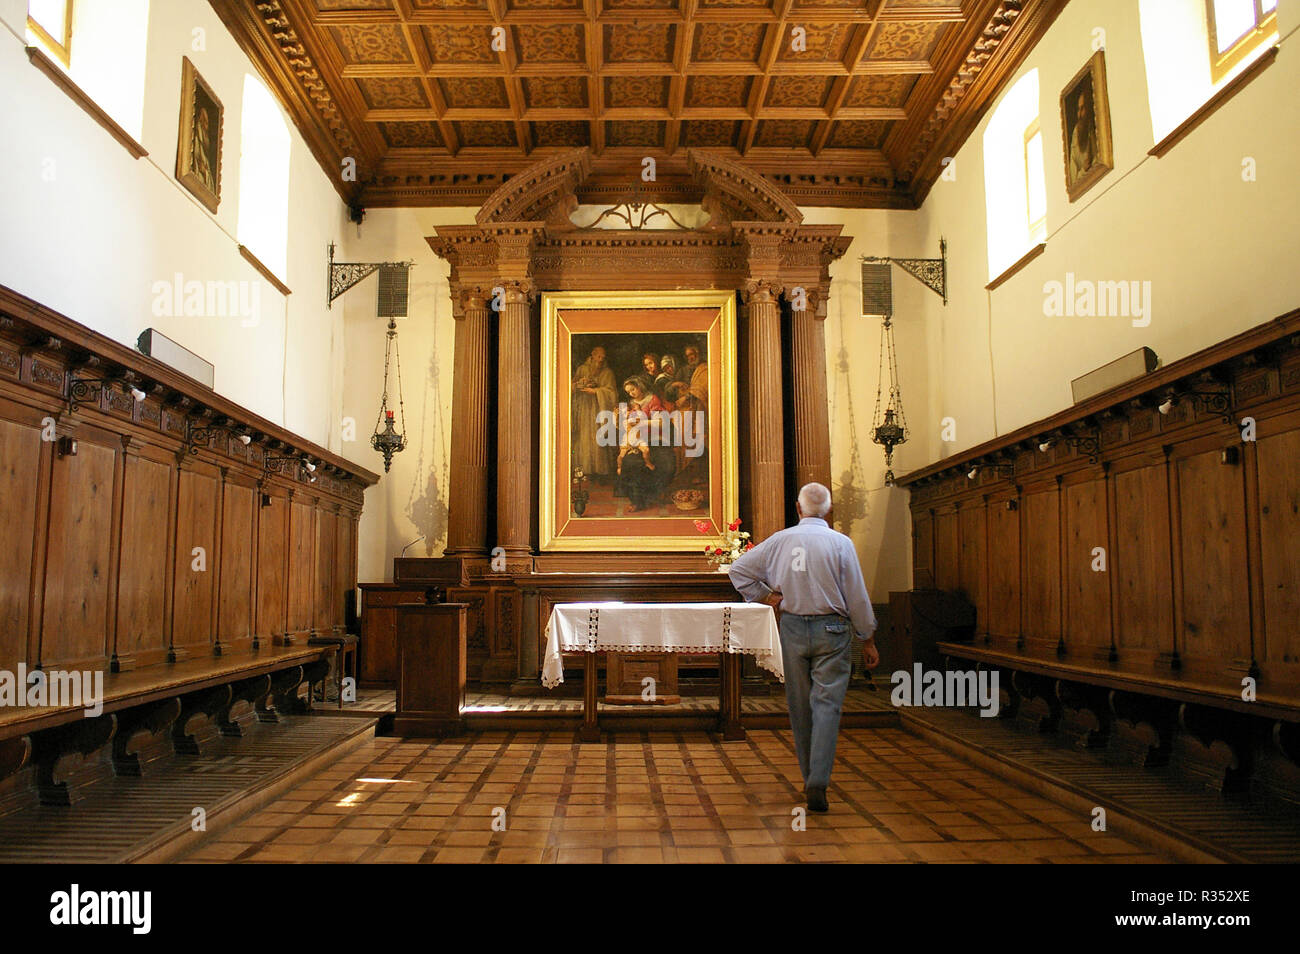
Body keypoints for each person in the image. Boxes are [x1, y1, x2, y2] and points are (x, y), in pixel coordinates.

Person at [727, 483, 879, 813]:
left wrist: (767, 596)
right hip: (833, 629)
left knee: (799, 706)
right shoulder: (841, 544)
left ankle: (808, 774)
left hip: (793, 627)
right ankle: (818, 781)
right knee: (827, 706)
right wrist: (867, 636)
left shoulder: (780, 541)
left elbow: (738, 570)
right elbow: (856, 595)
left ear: (798, 508)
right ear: (829, 510)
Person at [571, 345, 618, 481]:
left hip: (599, 410)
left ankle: (600, 472)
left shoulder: (608, 372)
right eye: (598, 356)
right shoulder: (582, 369)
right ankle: (585, 470)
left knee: (599, 438)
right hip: (584, 409)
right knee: (584, 438)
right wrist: (579, 384)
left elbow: (612, 393)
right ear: (592, 355)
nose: (601, 359)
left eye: (603, 357)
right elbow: (570, 386)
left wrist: (597, 391)